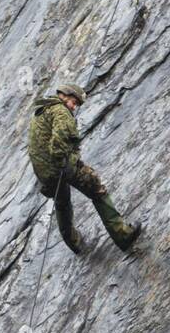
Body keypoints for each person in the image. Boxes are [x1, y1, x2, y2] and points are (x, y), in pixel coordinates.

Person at [26, 81, 141, 254]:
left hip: (45, 173)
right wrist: (66, 162)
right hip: (62, 167)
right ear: (65, 96)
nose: (73, 107)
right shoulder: (61, 112)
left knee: (62, 203)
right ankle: (123, 235)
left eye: (76, 105)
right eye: (74, 102)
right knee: (96, 189)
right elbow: (58, 144)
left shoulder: (42, 110)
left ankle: (75, 243)